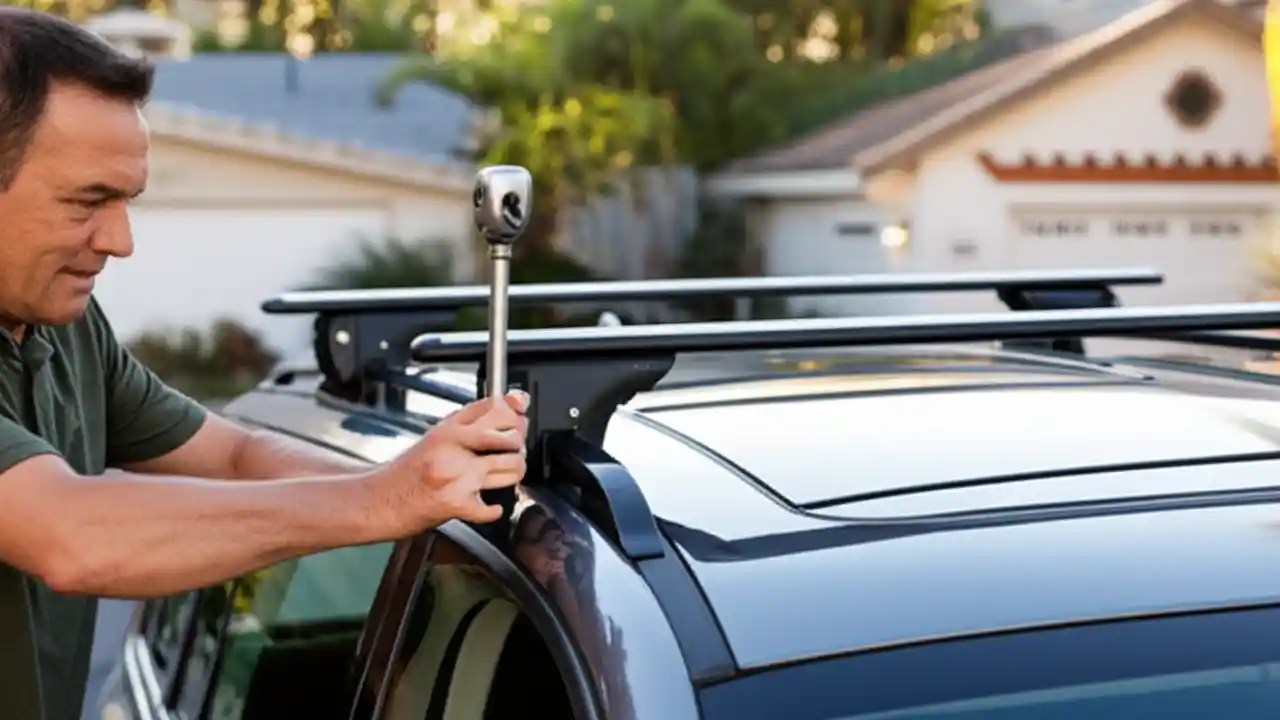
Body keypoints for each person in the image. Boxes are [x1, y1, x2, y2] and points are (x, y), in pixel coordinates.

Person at [0, 8, 530, 720]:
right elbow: (73, 536)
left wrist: (426, 493)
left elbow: (235, 455)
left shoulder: (62, 330)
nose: (121, 240)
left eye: (127, 201)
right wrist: (383, 501)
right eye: (88, 202)